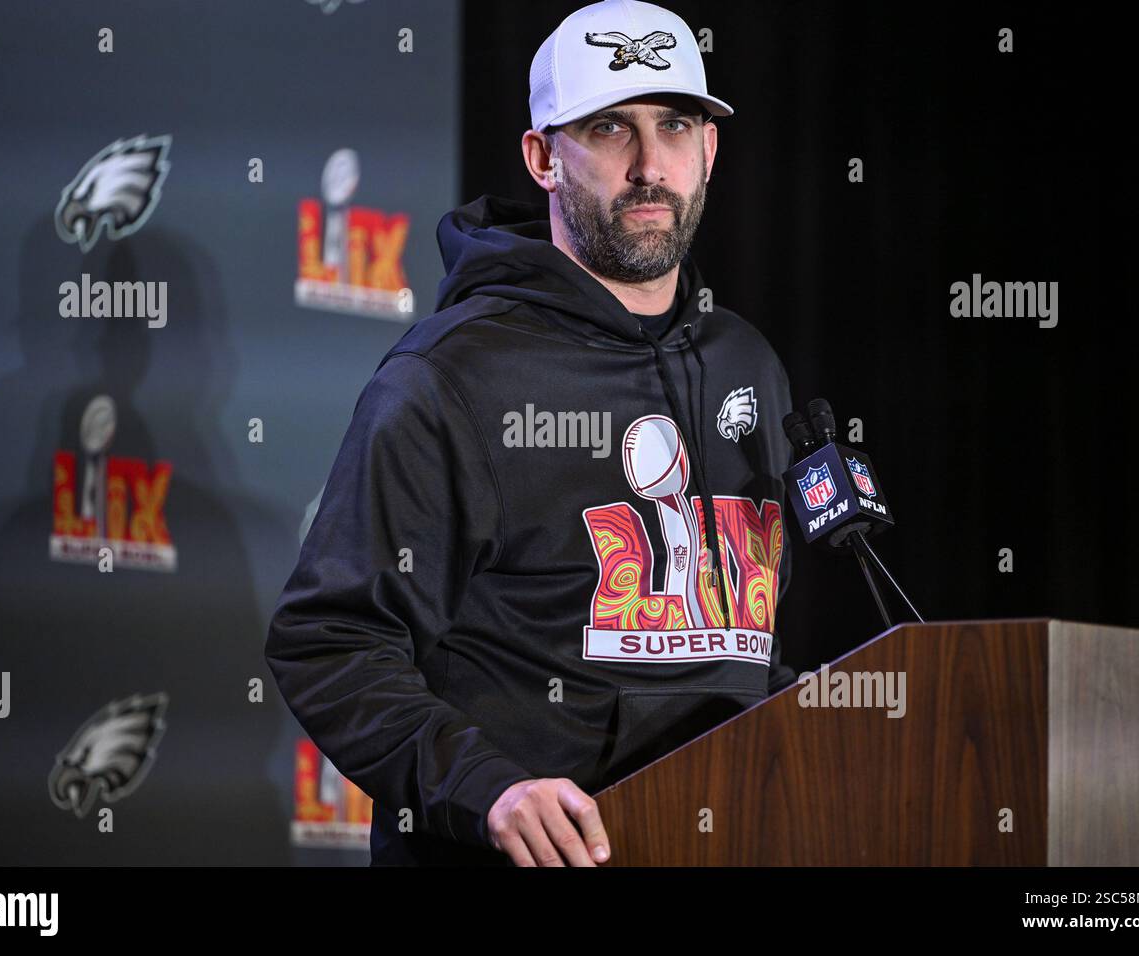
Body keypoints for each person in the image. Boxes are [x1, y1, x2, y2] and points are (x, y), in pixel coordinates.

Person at [265, 0, 798, 867]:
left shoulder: (746, 364)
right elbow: (329, 641)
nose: (650, 166)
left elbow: (738, 646)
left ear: (710, 150)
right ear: (543, 157)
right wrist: (488, 788)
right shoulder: (451, 376)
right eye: (608, 129)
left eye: (675, 125)